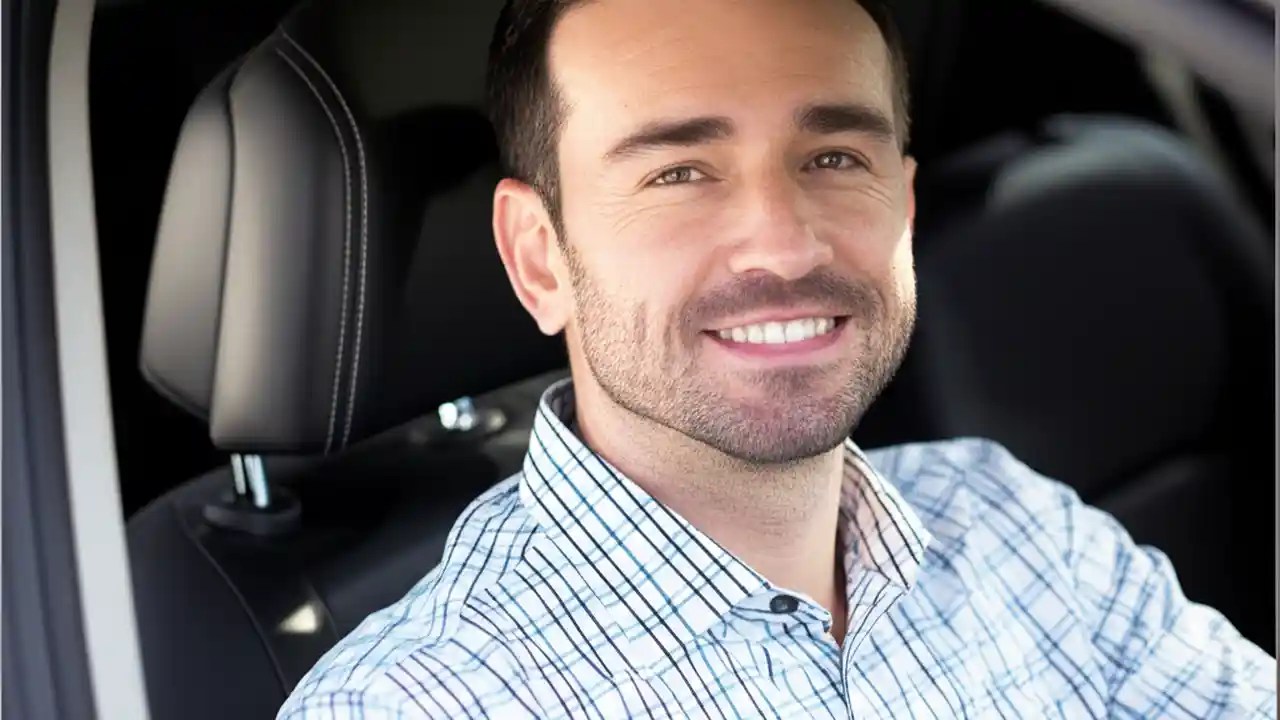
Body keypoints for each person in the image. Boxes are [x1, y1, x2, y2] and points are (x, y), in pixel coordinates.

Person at [278, 0, 1276, 717]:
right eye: (679, 172)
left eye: (834, 158)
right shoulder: (419, 702)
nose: (786, 245)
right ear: (538, 258)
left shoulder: (1013, 524)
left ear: (905, 205)